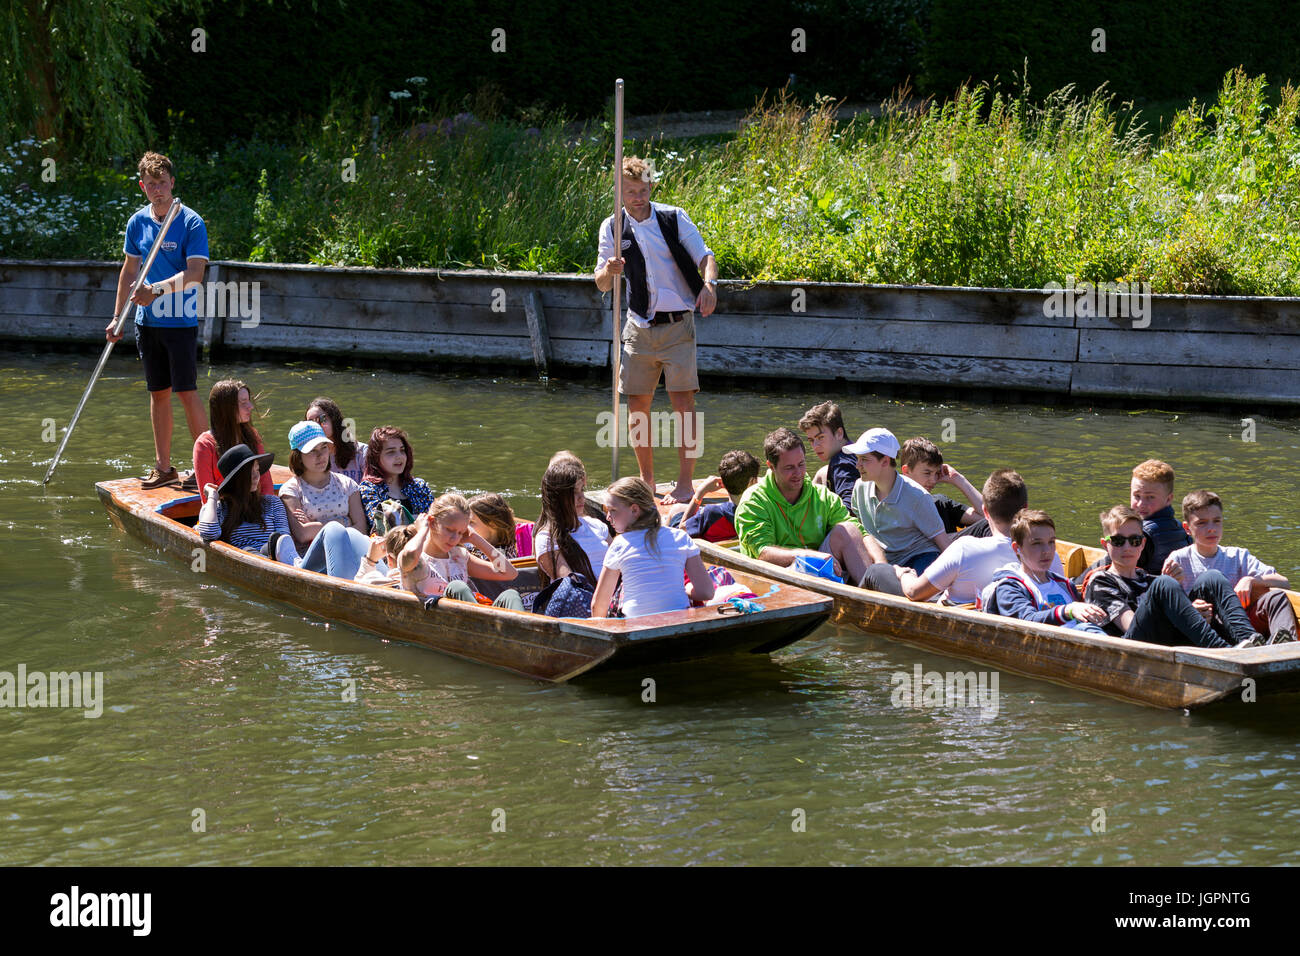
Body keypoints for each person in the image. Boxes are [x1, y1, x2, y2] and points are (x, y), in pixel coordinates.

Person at [594, 155, 719, 503]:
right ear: (619, 191)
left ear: (651, 187)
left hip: (678, 324)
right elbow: (602, 283)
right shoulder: (612, 227)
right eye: (631, 191)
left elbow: (705, 256)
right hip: (639, 326)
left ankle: (684, 484)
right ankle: (646, 482)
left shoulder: (673, 217)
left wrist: (709, 286)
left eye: (643, 190)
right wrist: (611, 269)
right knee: (637, 407)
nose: (638, 197)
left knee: (684, 405)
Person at [106, 151, 209, 490]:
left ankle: (207, 467)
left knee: (186, 392)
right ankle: (164, 468)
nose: (158, 190)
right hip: (147, 323)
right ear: (143, 187)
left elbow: (195, 274)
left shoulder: (191, 221)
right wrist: (118, 315)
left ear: (172, 183)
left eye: (162, 183)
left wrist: (156, 291)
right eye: (151, 185)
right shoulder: (137, 222)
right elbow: (129, 270)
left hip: (179, 322)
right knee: (158, 393)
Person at [1082, 506, 1257, 649]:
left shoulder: (1148, 579)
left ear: (1142, 544)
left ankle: (1251, 641)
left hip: (1166, 640)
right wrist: (1184, 611)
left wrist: (1191, 611)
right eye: (1118, 541)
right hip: (1132, 648)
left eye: (1134, 540)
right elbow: (1130, 625)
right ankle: (1222, 651)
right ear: (1106, 544)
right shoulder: (1101, 581)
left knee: (1212, 578)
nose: (1127, 547)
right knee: (1165, 583)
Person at [734, 428, 872, 585]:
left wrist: (882, 568)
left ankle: (873, 594)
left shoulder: (822, 496)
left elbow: (861, 534)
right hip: (775, 579)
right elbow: (763, 553)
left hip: (818, 571)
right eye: (789, 467)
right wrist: (807, 556)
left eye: (801, 464)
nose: (798, 473)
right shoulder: (754, 501)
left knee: (849, 530)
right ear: (771, 466)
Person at [1166, 490, 1297, 644]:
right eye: (1202, 523)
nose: (1211, 528)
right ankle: (1255, 645)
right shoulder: (1178, 559)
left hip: (1239, 625)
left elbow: (1283, 582)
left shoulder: (1237, 556)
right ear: (1187, 528)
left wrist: (1251, 580)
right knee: (1212, 578)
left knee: (1277, 597)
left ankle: (1288, 648)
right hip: (1206, 627)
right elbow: (1168, 604)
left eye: (1216, 521)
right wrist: (1190, 609)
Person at [897, 469, 1031, 605]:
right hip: (1008, 617)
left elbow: (914, 592)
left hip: (954, 618)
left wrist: (904, 573)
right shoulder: (1046, 555)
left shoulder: (963, 549)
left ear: (985, 511)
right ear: (1025, 508)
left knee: (878, 571)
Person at [847, 428, 954, 594]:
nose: (857, 465)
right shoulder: (859, 488)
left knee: (916, 595)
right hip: (887, 563)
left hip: (921, 558)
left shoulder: (918, 497)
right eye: (858, 459)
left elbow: (944, 545)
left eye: (864, 459)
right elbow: (861, 531)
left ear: (885, 461)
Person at [592, 477, 714, 618]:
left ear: (634, 510)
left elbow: (598, 606)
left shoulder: (619, 544)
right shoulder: (681, 537)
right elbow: (706, 592)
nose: (608, 517)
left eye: (612, 510)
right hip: (679, 623)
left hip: (635, 628)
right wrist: (684, 589)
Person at [980, 510, 1108, 634]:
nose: (1047, 550)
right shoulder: (1009, 588)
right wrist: (1067, 610)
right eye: (1037, 543)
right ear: (1017, 548)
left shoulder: (1065, 584)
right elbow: (1026, 622)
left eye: (1051, 542)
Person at [279, 420, 371, 580]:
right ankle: (346, 586)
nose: (321, 455)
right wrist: (344, 521)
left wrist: (317, 526)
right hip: (314, 563)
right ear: (298, 456)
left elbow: (361, 529)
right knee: (334, 531)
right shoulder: (291, 490)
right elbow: (302, 534)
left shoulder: (347, 484)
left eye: (323, 448)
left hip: (351, 552)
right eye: (312, 451)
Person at [398, 495, 522, 610]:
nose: (454, 538)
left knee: (510, 596)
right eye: (449, 530)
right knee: (457, 587)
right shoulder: (416, 558)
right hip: (435, 623)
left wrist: (475, 538)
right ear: (432, 522)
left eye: (460, 533)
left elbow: (510, 573)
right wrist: (423, 530)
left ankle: (526, 632)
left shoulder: (460, 556)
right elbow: (411, 552)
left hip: (471, 622)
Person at [196, 444, 295, 563]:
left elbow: (284, 542)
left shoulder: (272, 502)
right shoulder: (219, 508)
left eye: (257, 469)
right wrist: (212, 496)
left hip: (277, 559)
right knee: (248, 550)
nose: (256, 476)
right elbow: (208, 533)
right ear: (236, 478)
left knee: (277, 543)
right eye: (250, 471)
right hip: (247, 562)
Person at [534, 453, 610, 588]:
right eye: (574, 492)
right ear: (558, 497)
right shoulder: (547, 538)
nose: (582, 497)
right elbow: (571, 586)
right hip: (583, 602)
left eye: (582, 490)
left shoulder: (597, 525)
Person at [193, 379, 273, 504]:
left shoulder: (252, 436)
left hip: (255, 510)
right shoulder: (204, 445)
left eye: (249, 401)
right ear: (225, 409)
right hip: (225, 515)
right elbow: (207, 499)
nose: (250, 407)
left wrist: (269, 514)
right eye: (243, 403)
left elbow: (266, 484)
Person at [897, 437, 984, 535]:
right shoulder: (892, 507)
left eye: (937, 473)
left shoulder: (941, 504)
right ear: (906, 471)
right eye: (927, 473)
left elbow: (989, 518)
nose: (934, 480)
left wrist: (958, 479)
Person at [672, 450, 761, 542]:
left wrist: (699, 493)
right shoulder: (759, 510)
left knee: (676, 509)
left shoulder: (713, 513)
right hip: (732, 545)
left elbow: (682, 530)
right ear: (753, 481)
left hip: (702, 545)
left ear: (723, 482)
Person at [357, 426, 435, 530]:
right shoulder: (368, 489)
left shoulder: (419, 485)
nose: (399, 456)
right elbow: (381, 524)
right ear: (376, 457)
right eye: (391, 452)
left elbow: (436, 519)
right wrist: (420, 522)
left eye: (402, 450)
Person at [798, 401, 858, 513]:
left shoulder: (841, 462)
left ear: (839, 433)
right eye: (811, 440)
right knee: (822, 472)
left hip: (854, 526)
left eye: (821, 437)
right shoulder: (855, 451)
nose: (815, 446)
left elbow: (850, 509)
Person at [304, 397, 368, 484]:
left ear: (334, 421)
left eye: (322, 419)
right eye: (311, 422)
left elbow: (371, 487)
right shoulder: (308, 458)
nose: (317, 425)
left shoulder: (362, 452)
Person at [467, 492, 528, 559]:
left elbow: (502, 568)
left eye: (471, 522)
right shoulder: (476, 544)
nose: (466, 526)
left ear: (493, 524)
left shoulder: (499, 554)